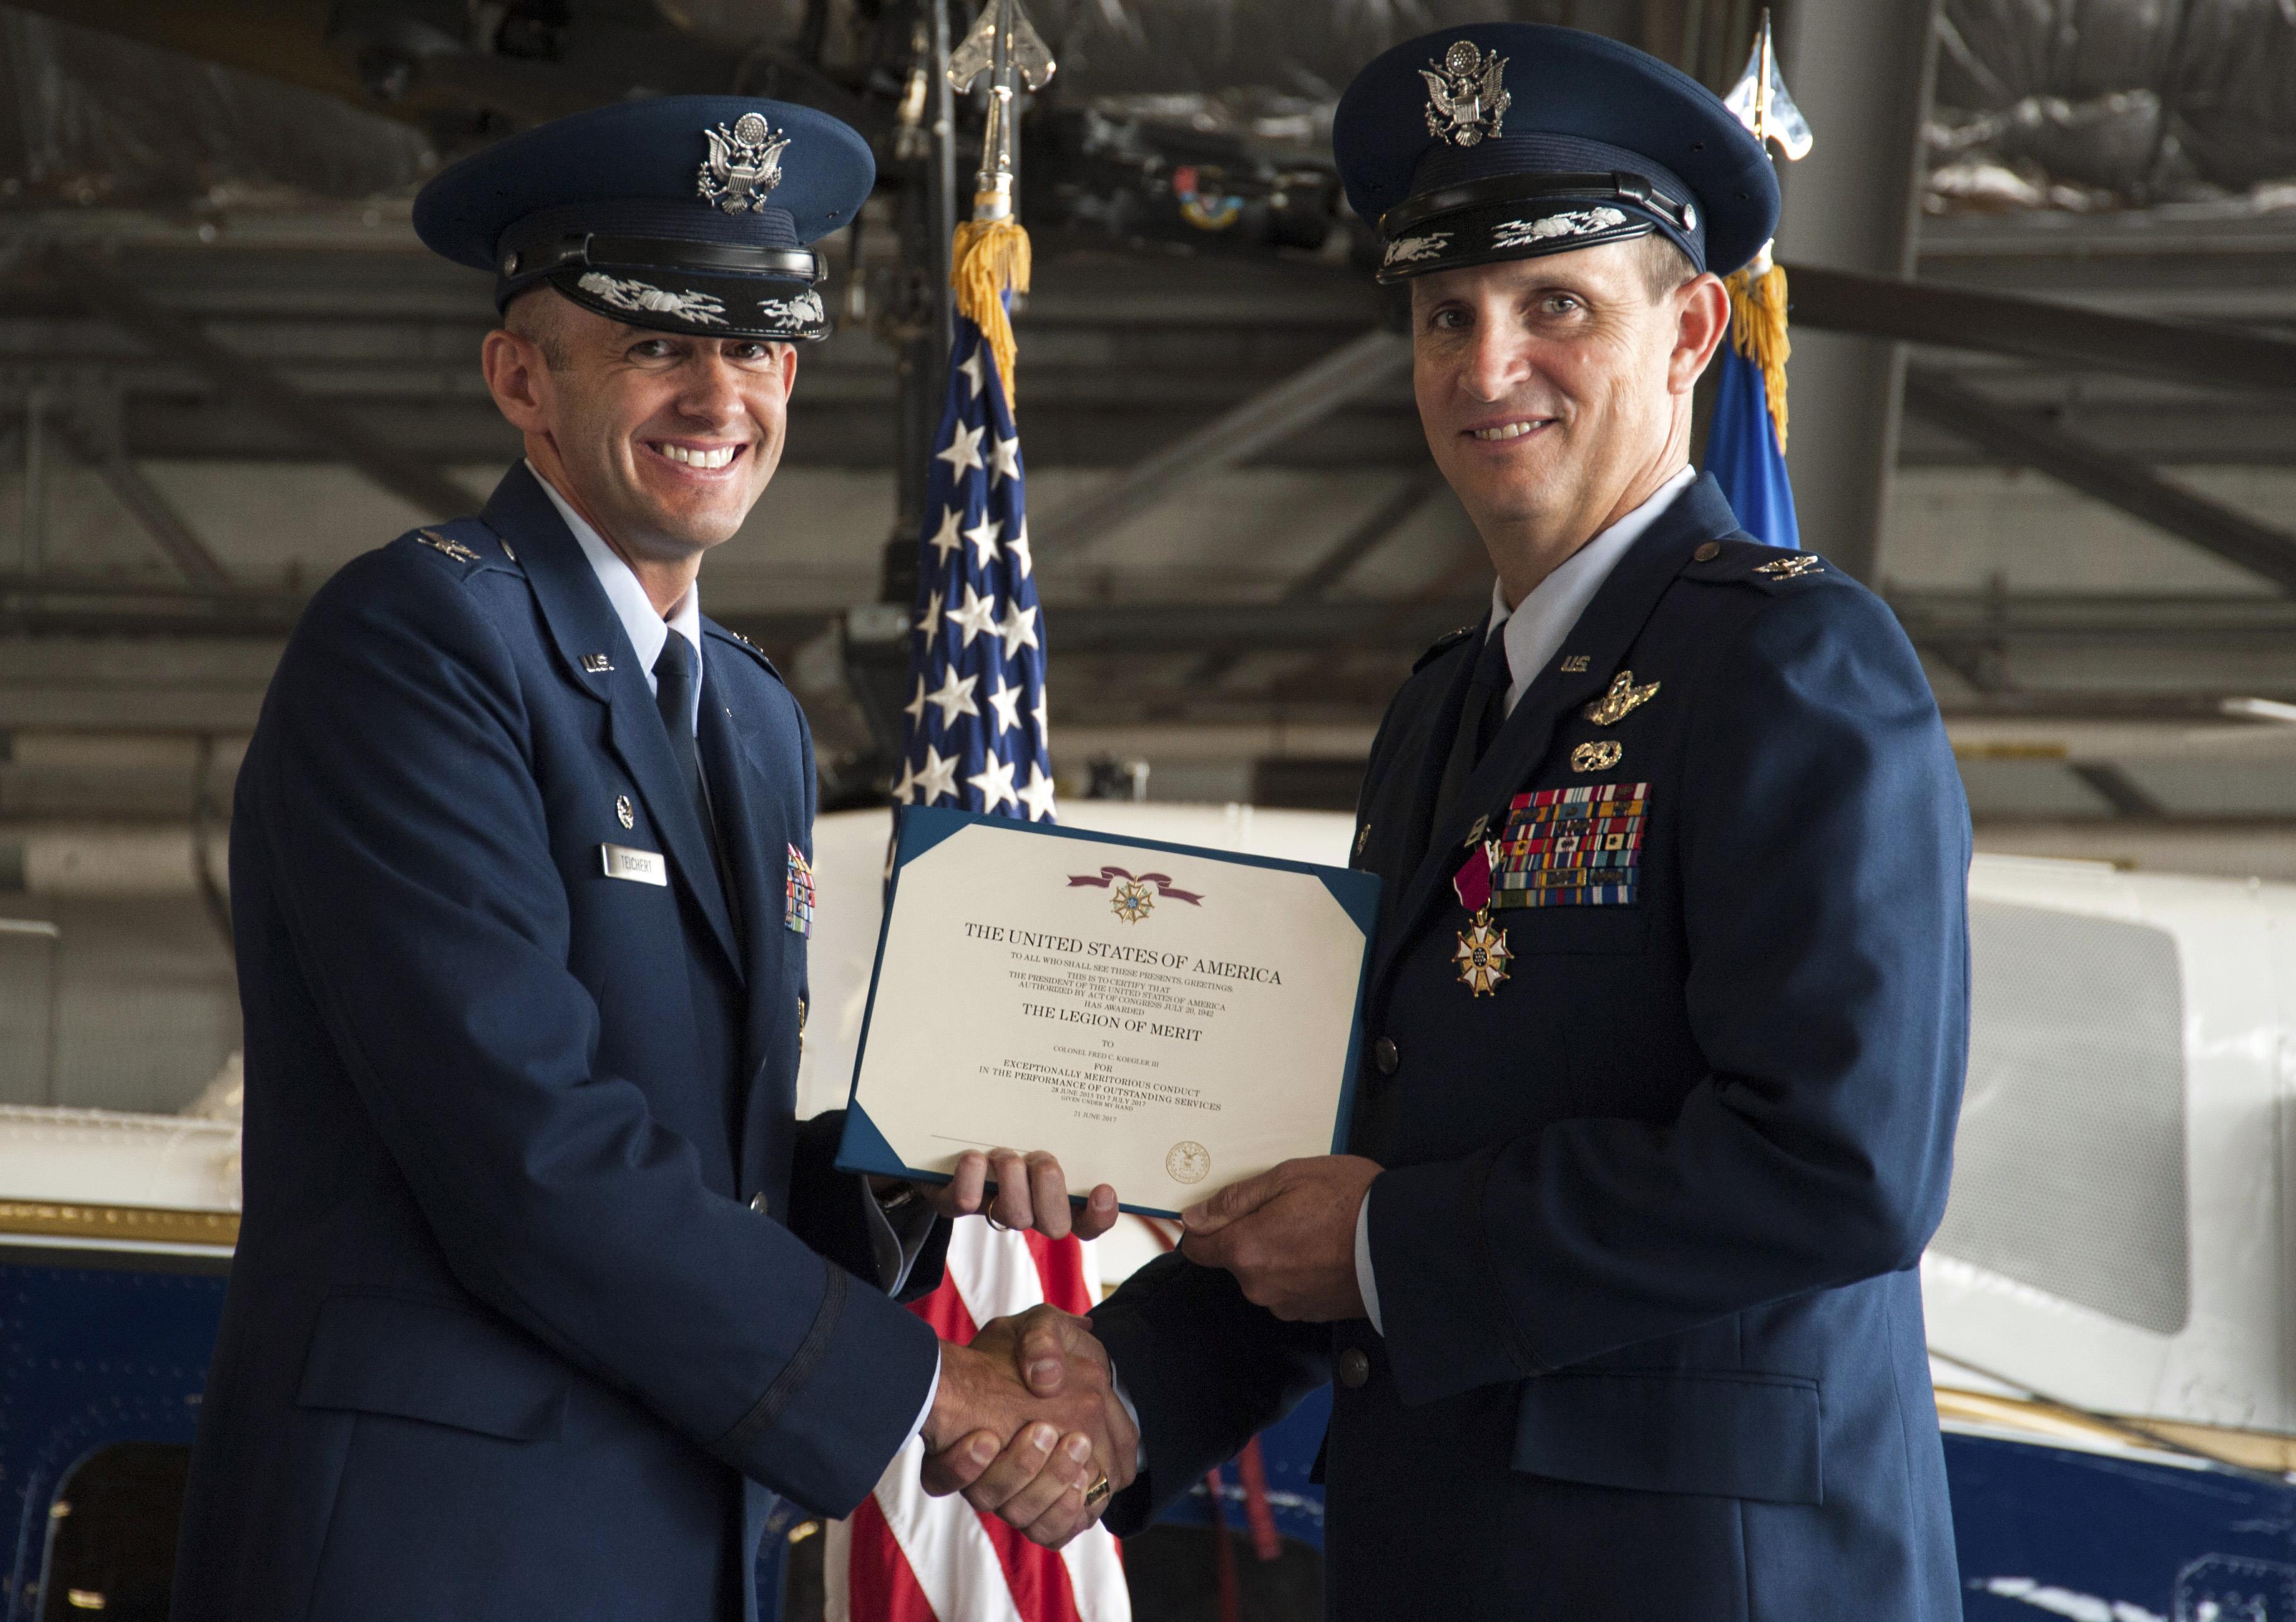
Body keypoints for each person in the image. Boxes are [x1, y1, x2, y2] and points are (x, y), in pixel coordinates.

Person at [936, 23, 1972, 1618]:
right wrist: (1125, 1385)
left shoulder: (1791, 661)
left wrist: (1380, 1243)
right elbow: (1362, 1162)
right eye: (1445, 315)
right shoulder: (1440, 712)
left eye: (1555, 305)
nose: (1487, 369)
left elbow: (1840, 1165)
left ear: (1692, 330)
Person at [170, 96, 1133, 1622]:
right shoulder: (420, 642)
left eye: (754, 346)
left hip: (670, 1536)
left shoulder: (750, 714)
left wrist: (903, 1174)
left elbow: (710, 1170)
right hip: (436, 1556)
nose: (717, 394)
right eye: (656, 344)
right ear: (520, 378)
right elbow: (529, 1154)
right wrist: (932, 1387)